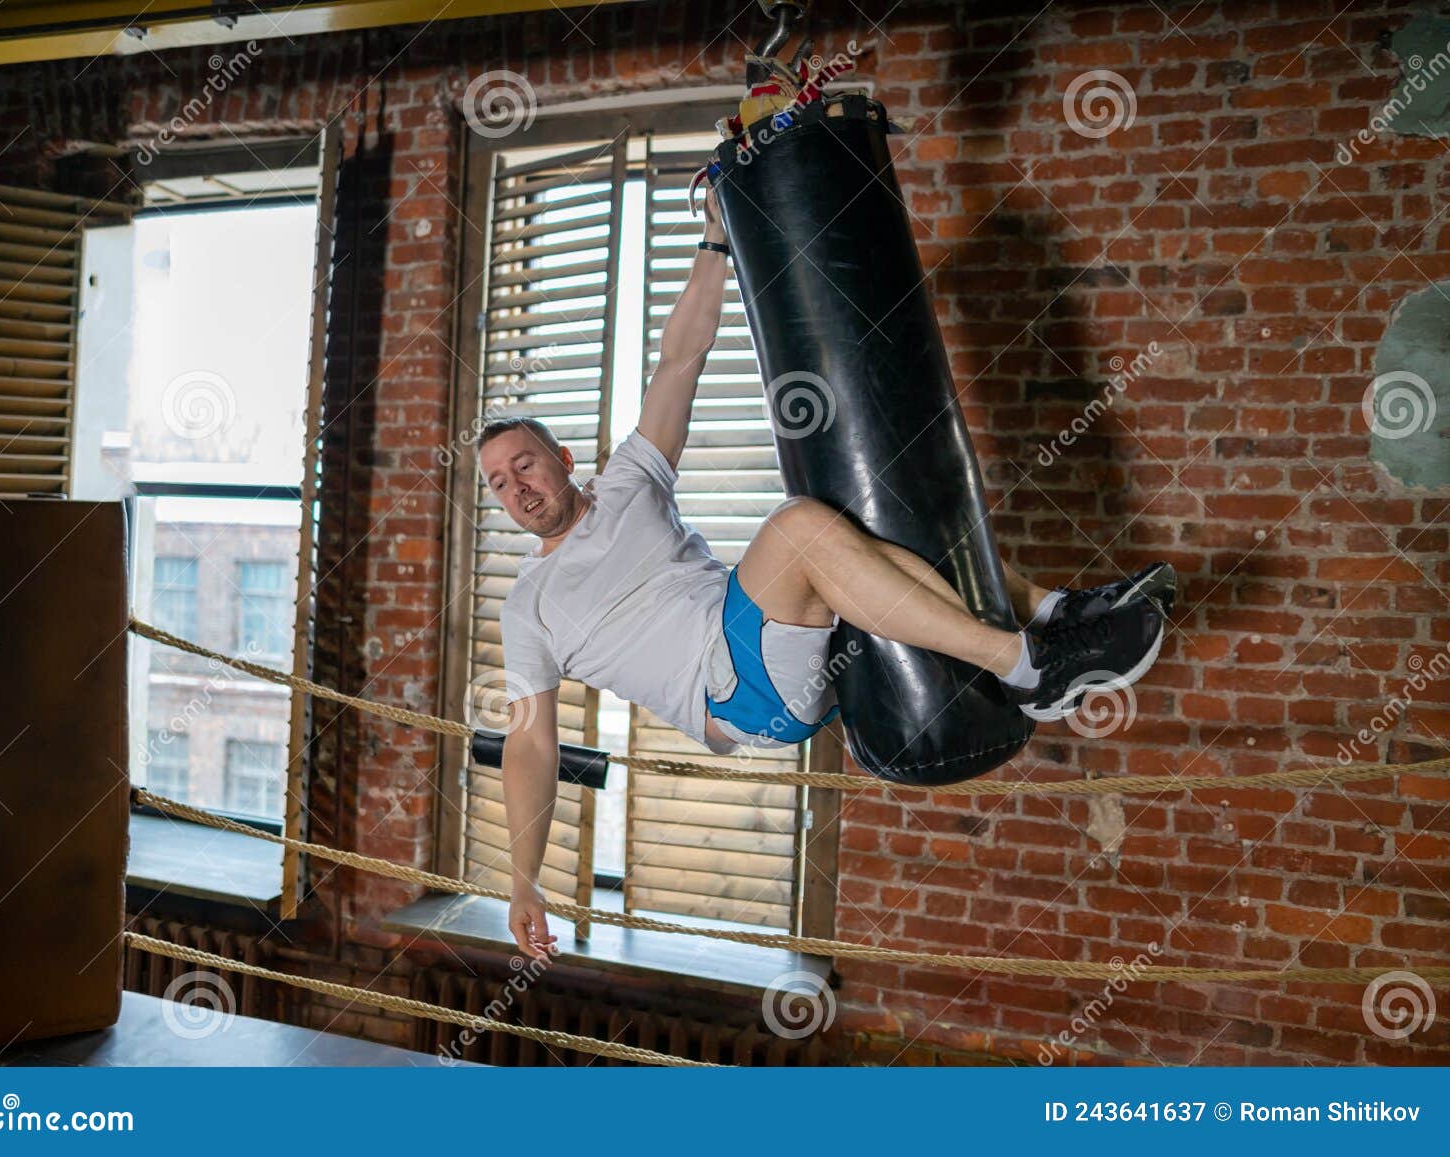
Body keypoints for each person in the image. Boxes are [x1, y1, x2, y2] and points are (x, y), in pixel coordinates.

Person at [476, 197, 1174, 960]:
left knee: (875, 520)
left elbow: (682, 358)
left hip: (775, 635)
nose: (519, 489)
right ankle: (1026, 666)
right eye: (500, 485)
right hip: (736, 692)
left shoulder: (630, 478)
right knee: (799, 528)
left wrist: (716, 238)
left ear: (564, 459)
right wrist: (524, 878)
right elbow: (531, 744)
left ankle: (1060, 615)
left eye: (525, 464)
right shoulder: (529, 608)